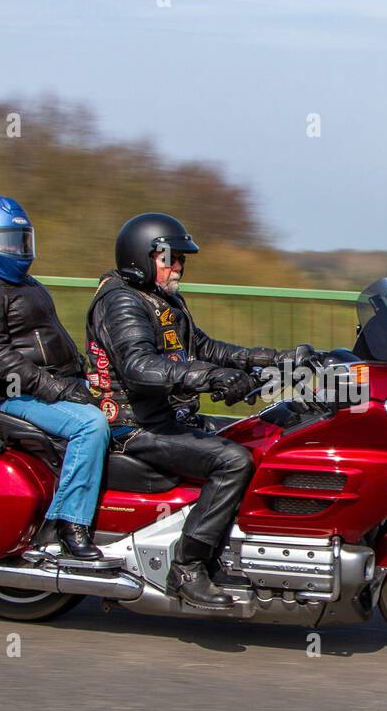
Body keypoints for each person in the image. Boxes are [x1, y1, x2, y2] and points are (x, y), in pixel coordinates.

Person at [85, 212, 314, 608]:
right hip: (134, 425)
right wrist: (213, 378)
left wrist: (275, 358)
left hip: (169, 418)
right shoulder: (121, 302)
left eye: (181, 259)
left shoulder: (161, 297)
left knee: (265, 433)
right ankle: (187, 568)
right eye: (169, 258)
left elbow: (204, 348)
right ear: (141, 257)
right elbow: (140, 366)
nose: (178, 266)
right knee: (233, 461)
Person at [0, 195, 112, 561]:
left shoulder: (17, 281)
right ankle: (68, 524)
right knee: (90, 425)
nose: (15, 250)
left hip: (52, 383)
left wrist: (87, 376)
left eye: (19, 241)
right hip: (15, 393)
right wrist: (57, 388)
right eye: (5, 241)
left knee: (124, 406)